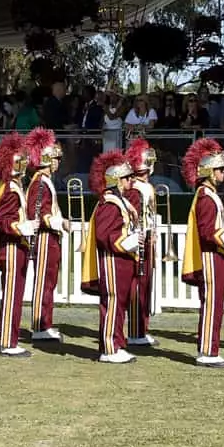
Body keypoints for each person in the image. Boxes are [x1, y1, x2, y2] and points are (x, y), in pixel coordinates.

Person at [81, 150, 145, 364]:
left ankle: (117, 343)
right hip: (113, 260)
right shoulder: (109, 203)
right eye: (127, 177)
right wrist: (129, 242)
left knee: (121, 304)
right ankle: (109, 347)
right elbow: (104, 235)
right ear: (116, 180)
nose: (131, 180)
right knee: (113, 302)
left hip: (124, 260)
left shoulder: (120, 201)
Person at [180, 138, 224, 368]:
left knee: (214, 303)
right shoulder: (206, 196)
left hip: (217, 256)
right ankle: (207, 351)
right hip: (211, 257)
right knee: (212, 304)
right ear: (209, 172)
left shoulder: (210, 194)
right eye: (220, 170)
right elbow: (207, 232)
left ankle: (210, 349)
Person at [0, 132, 37, 357]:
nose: (25, 163)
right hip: (11, 247)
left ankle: (10, 340)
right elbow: (2, 220)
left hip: (17, 247)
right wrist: (20, 227)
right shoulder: (9, 187)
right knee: (11, 297)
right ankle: (8, 342)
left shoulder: (15, 185)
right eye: (20, 160)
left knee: (15, 296)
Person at [24, 129, 74, 342]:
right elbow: (38, 213)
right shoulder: (40, 181)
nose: (57, 162)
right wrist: (59, 222)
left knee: (49, 283)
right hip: (44, 238)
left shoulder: (44, 180)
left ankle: (46, 323)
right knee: (44, 283)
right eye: (54, 158)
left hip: (50, 237)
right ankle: (39, 325)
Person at [123, 138, 160, 347]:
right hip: (140, 242)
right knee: (138, 285)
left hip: (148, 239)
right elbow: (135, 218)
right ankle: (136, 331)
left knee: (145, 286)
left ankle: (142, 329)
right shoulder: (136, 189)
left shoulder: (144, 186)